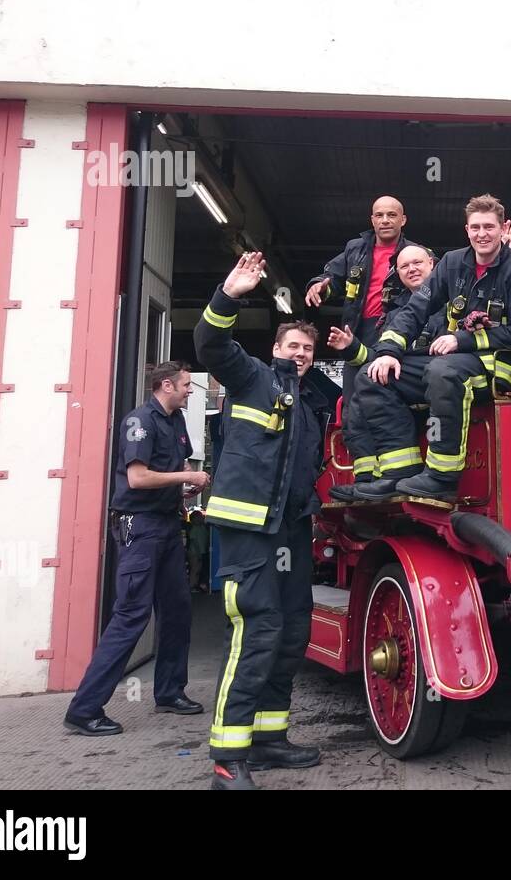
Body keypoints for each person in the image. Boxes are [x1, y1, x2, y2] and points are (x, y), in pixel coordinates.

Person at [196, 253, 331, 790]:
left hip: (291, 531)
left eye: (308, 348)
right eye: (292, 346)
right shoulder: (251, 377)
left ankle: (270, 738)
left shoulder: (311, 399)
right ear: (276, 350)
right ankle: (228, 757)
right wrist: (230, 293)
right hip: (248, 527)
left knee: (294, 628)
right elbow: (208, 345)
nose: (300, 354)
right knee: (259, 629)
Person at [353, 195, 511, 503]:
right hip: (458, 360)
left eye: (489, 227)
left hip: (499, 365)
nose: (482, 234)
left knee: (441, 372)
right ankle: (401, 473)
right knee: (371, 377)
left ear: (501, 228)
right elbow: (416, 309)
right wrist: (387, 351)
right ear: (467, 230)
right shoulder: (452, 263)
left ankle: (442, 477)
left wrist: (462, 340)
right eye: (475, 227)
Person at [62, 363, 207, 736]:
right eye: (187, 385)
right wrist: (187, 478)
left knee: (177, 610)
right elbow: (138, 477)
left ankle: (170, 692)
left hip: (167, 526)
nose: (191, 390)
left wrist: (184, 487)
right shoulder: (139, 422)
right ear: (165, 385)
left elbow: (180, 463)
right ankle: (85, 709)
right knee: (131, 615)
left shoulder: (175, 421)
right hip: (139, 527)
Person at [326, 244, 437, 494]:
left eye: (417, 263)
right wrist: (352, 347)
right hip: (409, 375)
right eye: (404, 266)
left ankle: (400, 474)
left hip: (440, 372)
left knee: (371, 382)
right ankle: (367, 479)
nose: (411, 270)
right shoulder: (396, 310)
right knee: (357, 398)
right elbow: (377, 356)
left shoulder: (450, 295)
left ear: (432, 263)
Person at [304, 195, 419, 401]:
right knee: (353, 397)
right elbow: (334, 278)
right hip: (356, 330)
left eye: (391, 215)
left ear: (403, 220)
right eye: (379, 215)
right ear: (372, 220)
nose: (385, 220)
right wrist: (318, 286)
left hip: (399, 331)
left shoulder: (416, 254)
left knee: (389, 394)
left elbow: (435, 289)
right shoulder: (354, 248)